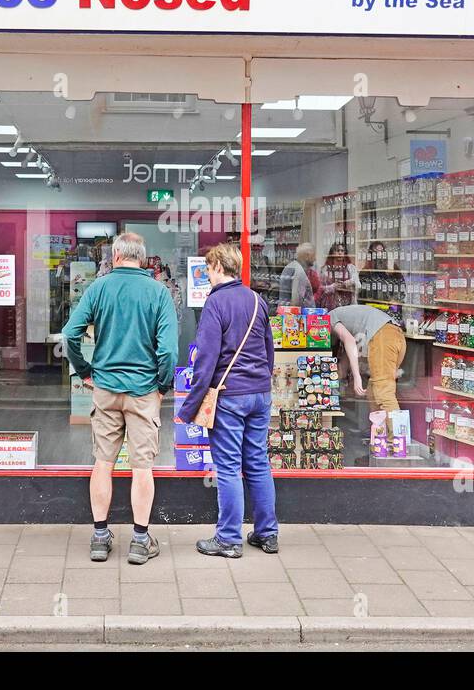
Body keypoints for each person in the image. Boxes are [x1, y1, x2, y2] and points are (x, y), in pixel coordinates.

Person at [64, 231, 178, 566]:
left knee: (103, 462)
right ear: (142, 259)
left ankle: (100, 537)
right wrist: (162, 385)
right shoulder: (159, 293)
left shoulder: (98, 288)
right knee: (143, 467)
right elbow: (169, 350)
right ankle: (140, 541)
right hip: (144, 392)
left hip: (106, 388)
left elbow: (70, 333)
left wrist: (85, 370)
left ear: (115, 256)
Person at [176, 243, 278, 558]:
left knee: (229, 466)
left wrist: (189, 406)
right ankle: (267, 534)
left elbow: (205, 361)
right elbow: (269, 349)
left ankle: (229, 539)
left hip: (229, 395)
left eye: (208, 268)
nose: (206, 274)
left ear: (219, 267)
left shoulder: (216, 303)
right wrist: (261, 383)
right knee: (259, 463)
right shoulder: (256, 300)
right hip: (260, 394)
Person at [328, 303, 407, 412]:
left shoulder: (329, 318)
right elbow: (347, 357)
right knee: (372, 392)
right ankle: (379, 428)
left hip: (383, 335)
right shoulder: (343, 320)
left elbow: (349, 341)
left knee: (384, 394)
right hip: (395, 335)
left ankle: (398, 429)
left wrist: (357, 377)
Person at [277, 242, 316, 308]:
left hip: (285, 313)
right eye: (313, 256)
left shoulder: (291, 266)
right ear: (307, 256)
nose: (315, 259)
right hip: (298, 316)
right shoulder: (299, 271)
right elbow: (295, 302)